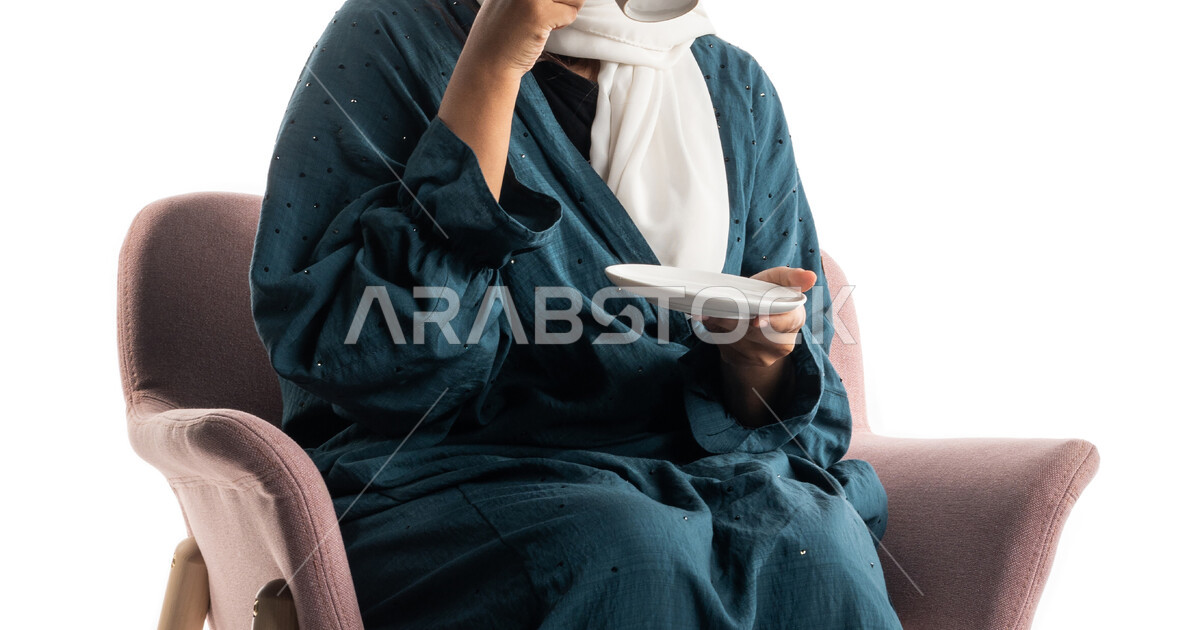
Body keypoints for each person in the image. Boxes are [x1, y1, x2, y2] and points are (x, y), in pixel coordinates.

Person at [249, 0, 902, 627]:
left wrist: (754, 361)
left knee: (818, 551)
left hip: (693, 465)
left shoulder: (734, 86)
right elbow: (351, 349)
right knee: (629, 555)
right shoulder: (389, 33)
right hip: (451, 468)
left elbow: (798, 415)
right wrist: (493, 64)